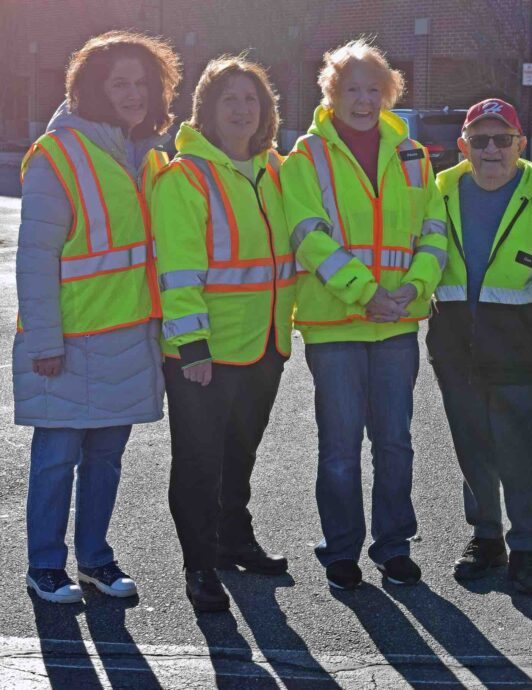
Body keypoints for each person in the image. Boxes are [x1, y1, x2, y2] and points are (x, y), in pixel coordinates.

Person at [13, 31, 180, 604]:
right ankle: (44, 565)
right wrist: (44, 341)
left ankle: (95, 560)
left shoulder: (153, 155)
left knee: (105, 462)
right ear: (91, 88)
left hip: (131, 339)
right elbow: (35, 259)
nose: (133, 94)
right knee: (57, 461)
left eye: (142, 83)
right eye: (119, 84)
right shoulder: (56, 155)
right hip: (69, 340)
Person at [280, 39, 446, 591]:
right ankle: (342, 550)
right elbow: (308, 236)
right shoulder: (306, 156)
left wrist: (416, 286)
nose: (363, 99)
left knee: (396, 442)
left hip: (397, 322)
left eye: (374, 89)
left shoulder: (413, 155)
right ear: (331, 92)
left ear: (389, 93)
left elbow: (434, 232)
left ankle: (394, 546)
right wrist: (366, 292)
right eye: (351, 88)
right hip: (335, 325)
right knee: (341, 445)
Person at [426, 99, 532, 594]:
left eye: (503, 139)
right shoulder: (440, 193)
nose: (492, 149)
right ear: (464, 147)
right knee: (473, 449)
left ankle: (527, 549)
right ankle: (486, 539)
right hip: (456, 349)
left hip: (522, 350)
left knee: (526, 453)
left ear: (522, 145)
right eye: (480, 140)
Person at [151, 57, 296, 613]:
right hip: (204, 354)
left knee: (240, 453)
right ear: (206, 110)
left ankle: (236, 540)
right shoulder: (184, 177)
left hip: (265, 346)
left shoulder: (276, 171)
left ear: (266, 112)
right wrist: (192, 348)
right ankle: (200, 564)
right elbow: (178, 271)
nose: (241, 109)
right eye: (228, 99)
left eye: (251, 99)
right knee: (198, 460)